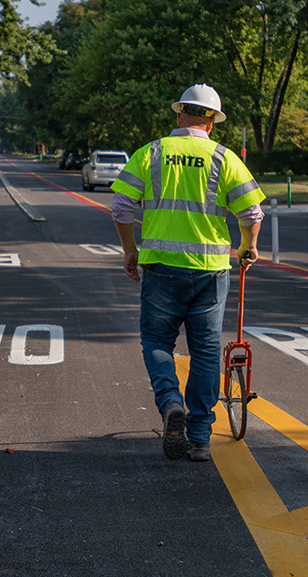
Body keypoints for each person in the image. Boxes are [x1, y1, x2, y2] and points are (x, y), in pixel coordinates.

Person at [111, 84, 265, 462]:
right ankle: (199, 438)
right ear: (211, 121)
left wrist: (130, 250)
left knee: (158, 342)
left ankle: (169, 404)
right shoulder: (223, 157)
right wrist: (248, 247)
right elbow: (252, 215)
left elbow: (120, 208)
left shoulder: (152, 152)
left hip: (161, 269)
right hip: (210, 272)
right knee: (206, 352)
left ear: (179, 115)